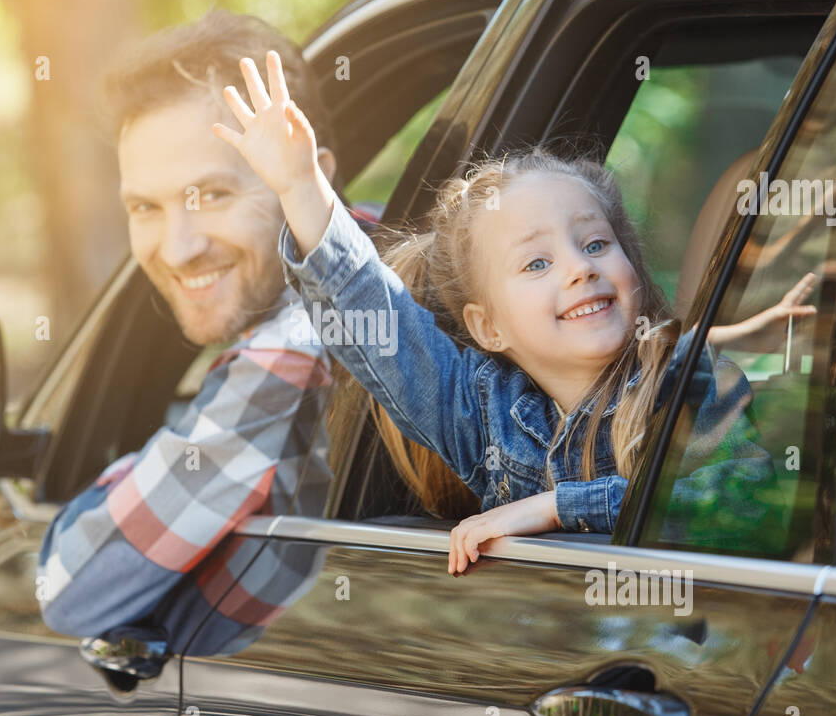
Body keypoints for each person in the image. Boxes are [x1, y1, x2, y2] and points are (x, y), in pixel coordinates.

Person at [215, 50, 784, 576]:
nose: (579, 269)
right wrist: (300, 185)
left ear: (630, 263)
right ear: (488, 328)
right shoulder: (482, 413)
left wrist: (557, 508)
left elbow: (745, 510)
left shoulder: (689, 377)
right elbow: (374, 315)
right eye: (537, 264)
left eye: (594, 244)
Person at [35, 12, 379, 638]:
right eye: (146, 207)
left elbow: (68, 588)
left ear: (312, 177)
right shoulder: (385, 238)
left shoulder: (296, 345)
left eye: (212, 196)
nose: (178, 248)